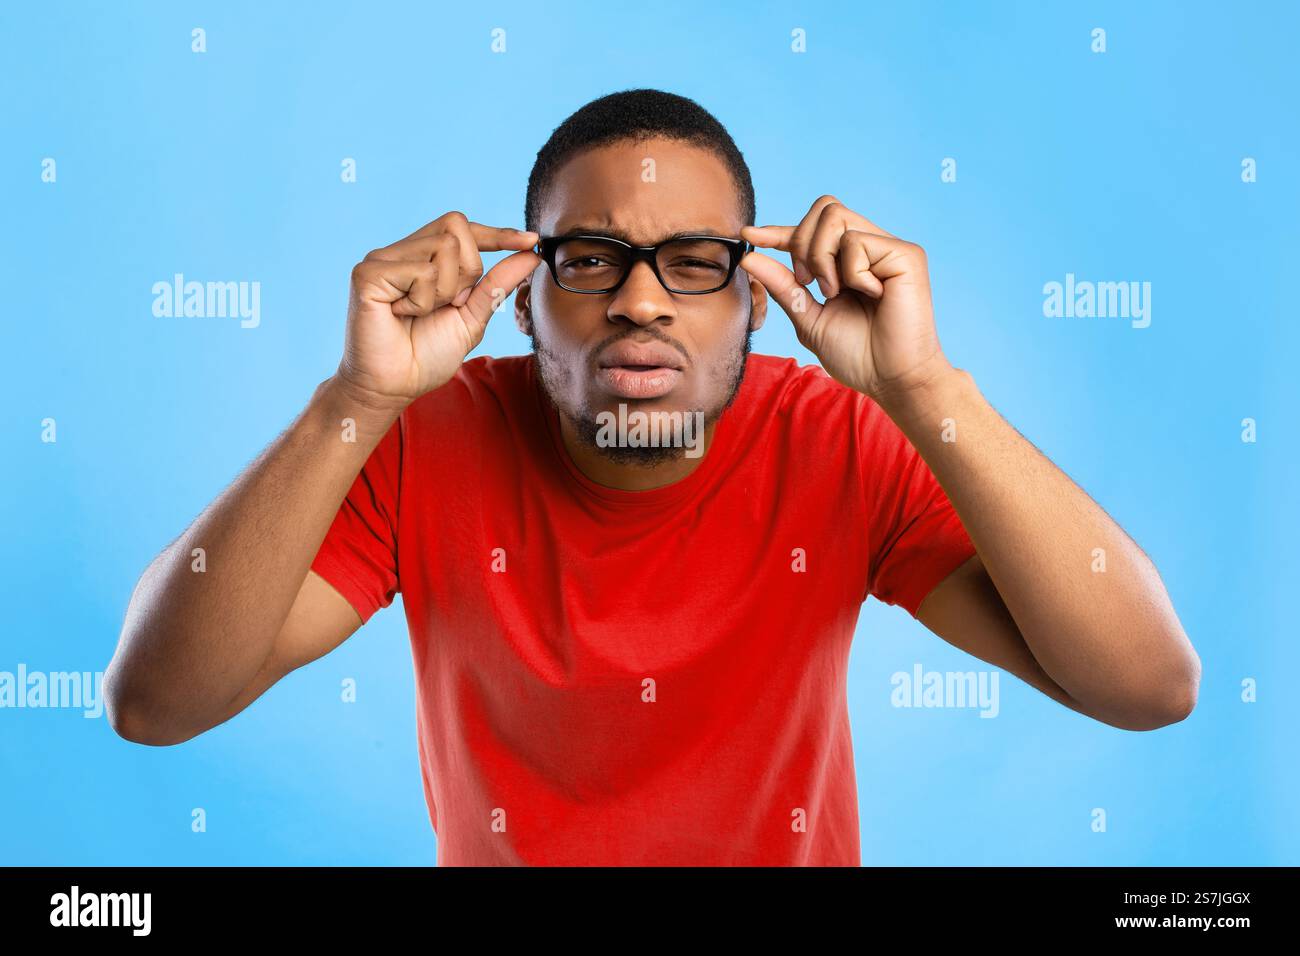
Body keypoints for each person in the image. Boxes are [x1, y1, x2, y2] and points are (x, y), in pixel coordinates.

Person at [105, 88, 1200, 866]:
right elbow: (153, 704)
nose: (640, 301)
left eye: (693, 261)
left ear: (758, 299)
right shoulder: (418, 438)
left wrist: (926, 391)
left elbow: (1147, 685)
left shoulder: (842, 439)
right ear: (523, 296)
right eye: (588, 258)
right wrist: (353, 400)